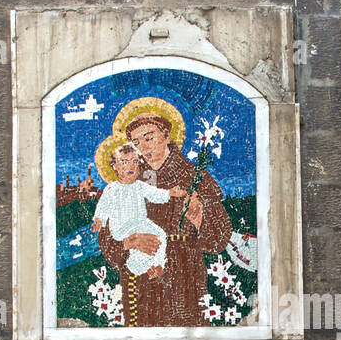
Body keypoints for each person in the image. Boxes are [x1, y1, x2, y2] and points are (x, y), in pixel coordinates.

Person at [83, 98, 232, 327]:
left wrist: (198, 217)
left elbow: (219, 238)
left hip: (184, 278)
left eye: (149, 137)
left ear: (166, 136)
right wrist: (128, 242)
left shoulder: (194, 178)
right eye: (136, 142)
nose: (143, 146)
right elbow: (105, 237)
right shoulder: (127, 182)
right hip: (138, 279)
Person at [89, 137, 186, 279]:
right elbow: (103, 206)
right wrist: (99, 219)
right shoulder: (111, 189)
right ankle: (138, 267)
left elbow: (154, 194)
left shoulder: (140, 186)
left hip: (141, 223)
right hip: (123, 228)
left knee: (160, 235)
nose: (131, 166)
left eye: (135, 162)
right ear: (114, 166)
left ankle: (157, 265)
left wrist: (170, 193)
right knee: (137, 249)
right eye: (124, 162)